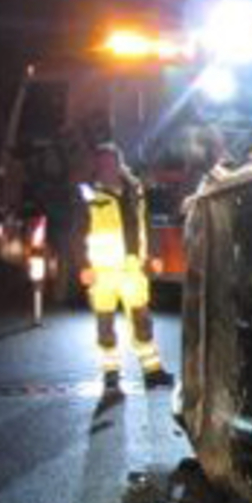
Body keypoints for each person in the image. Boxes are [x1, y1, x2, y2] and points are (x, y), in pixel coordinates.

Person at [78, 141, 173, 393]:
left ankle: (152, 372)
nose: (108, 168)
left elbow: (145, 223)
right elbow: (78, 231)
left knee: (142, 321)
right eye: (103, 163)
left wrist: (151, 255)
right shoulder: (88, 193)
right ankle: (111, 373)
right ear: (97, 166)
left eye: (112, 162)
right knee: (105, 324)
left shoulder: (135, 190)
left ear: (119, 163)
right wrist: (83, 265)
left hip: (133, 268)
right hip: (103, 271)